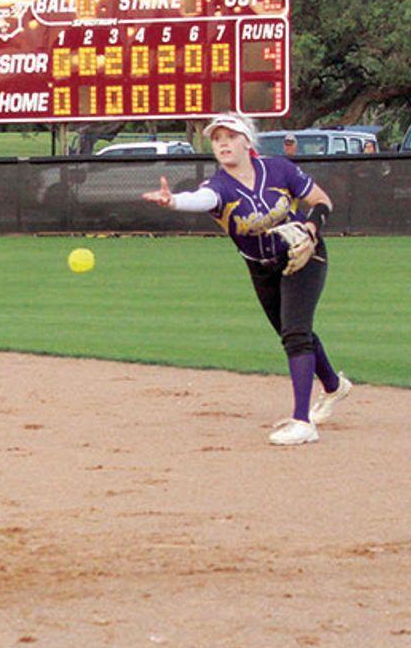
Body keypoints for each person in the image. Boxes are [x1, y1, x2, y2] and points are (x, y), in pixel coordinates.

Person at [142, 112, 351, 446]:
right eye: (217, 138)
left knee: (296, 333)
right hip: (261, 267)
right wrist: (174, 202)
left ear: (246, 141)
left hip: (305, 254)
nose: (223, 143)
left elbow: (321, 200)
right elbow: (202, 200)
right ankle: (334, 386)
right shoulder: (219, 186)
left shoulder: (278, 169)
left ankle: (302, 422)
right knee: (294, 331)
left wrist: (312, 230)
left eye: (230, 136)